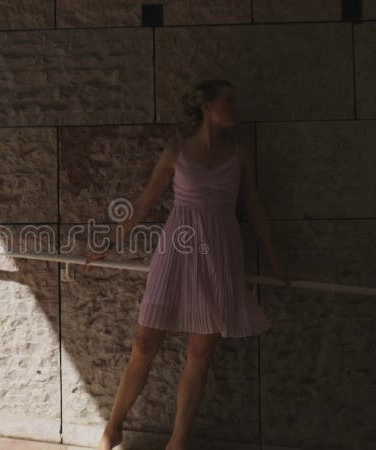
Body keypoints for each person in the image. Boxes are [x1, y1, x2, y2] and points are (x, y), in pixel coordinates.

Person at [82, 79, 291, 450]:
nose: (234, 106)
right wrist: (109, 243)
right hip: (176, 251)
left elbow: (254, 207)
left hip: (220, 253)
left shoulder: (239, 155)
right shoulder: (176, 152)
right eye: (228, 99)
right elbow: (145, 203)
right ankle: (113, 427)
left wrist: (275, 256)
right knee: (145, 343)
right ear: (208, 106)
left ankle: (178, 441)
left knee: (201, 351)